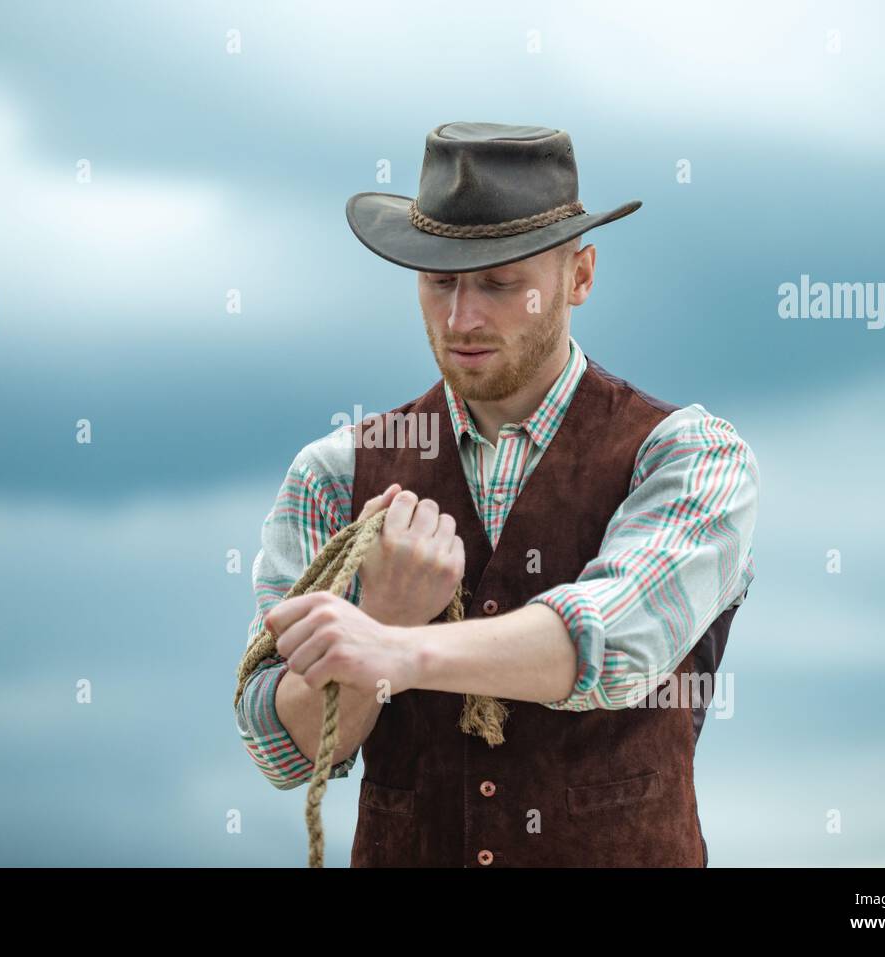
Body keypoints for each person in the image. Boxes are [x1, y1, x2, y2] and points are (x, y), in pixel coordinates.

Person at [235, 122, 759, 867]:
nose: (461, 318)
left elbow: (611, 643)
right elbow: (281, 749)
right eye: (439, 281)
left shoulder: (689, 457)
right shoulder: (333, 473)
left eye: (499, 283)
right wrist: (382, 612)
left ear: (578, 277)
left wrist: (394, 647)